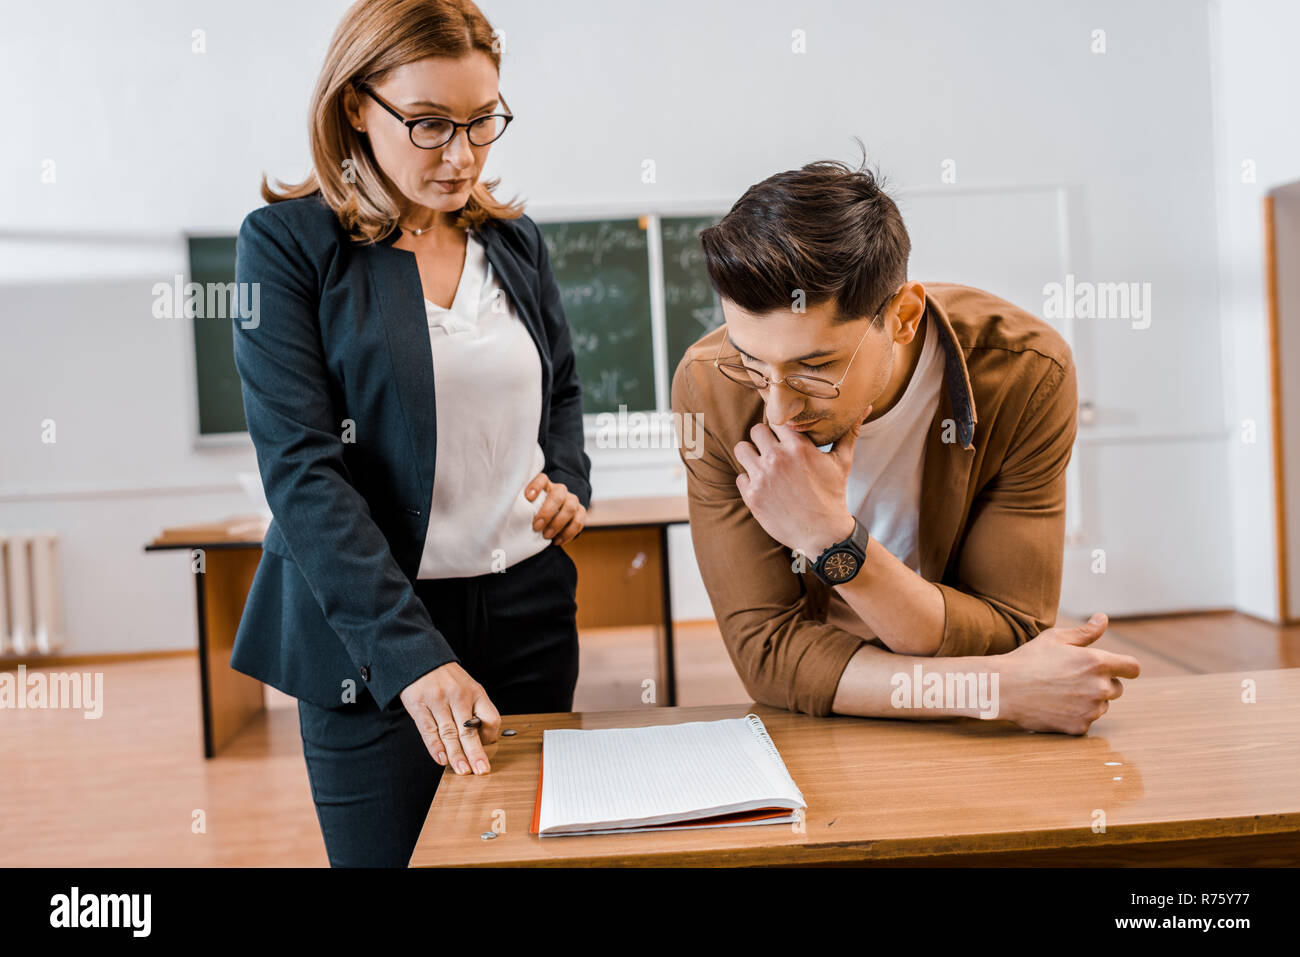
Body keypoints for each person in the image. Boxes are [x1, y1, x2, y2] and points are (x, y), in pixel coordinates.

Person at [230, 0, 591, 866]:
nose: (460, 154)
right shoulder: (286, 246)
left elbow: (564, 388)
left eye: (481, 122)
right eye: (428, 124)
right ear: (356, 104)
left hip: (529, 613)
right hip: (372, 635)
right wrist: (409, 655)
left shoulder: (513, 241)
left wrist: (570, 478)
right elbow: (303, 470)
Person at [671, 154, 1140, 735]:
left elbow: (1012, 628)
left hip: (923, 720)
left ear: (904, 317)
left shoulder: (1026, 371)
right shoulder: (709, 387)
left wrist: (829, 537)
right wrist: (992, 688)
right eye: (752, 363)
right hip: (835, 725)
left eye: (815, 367)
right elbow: (769, 659)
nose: (779, 411)